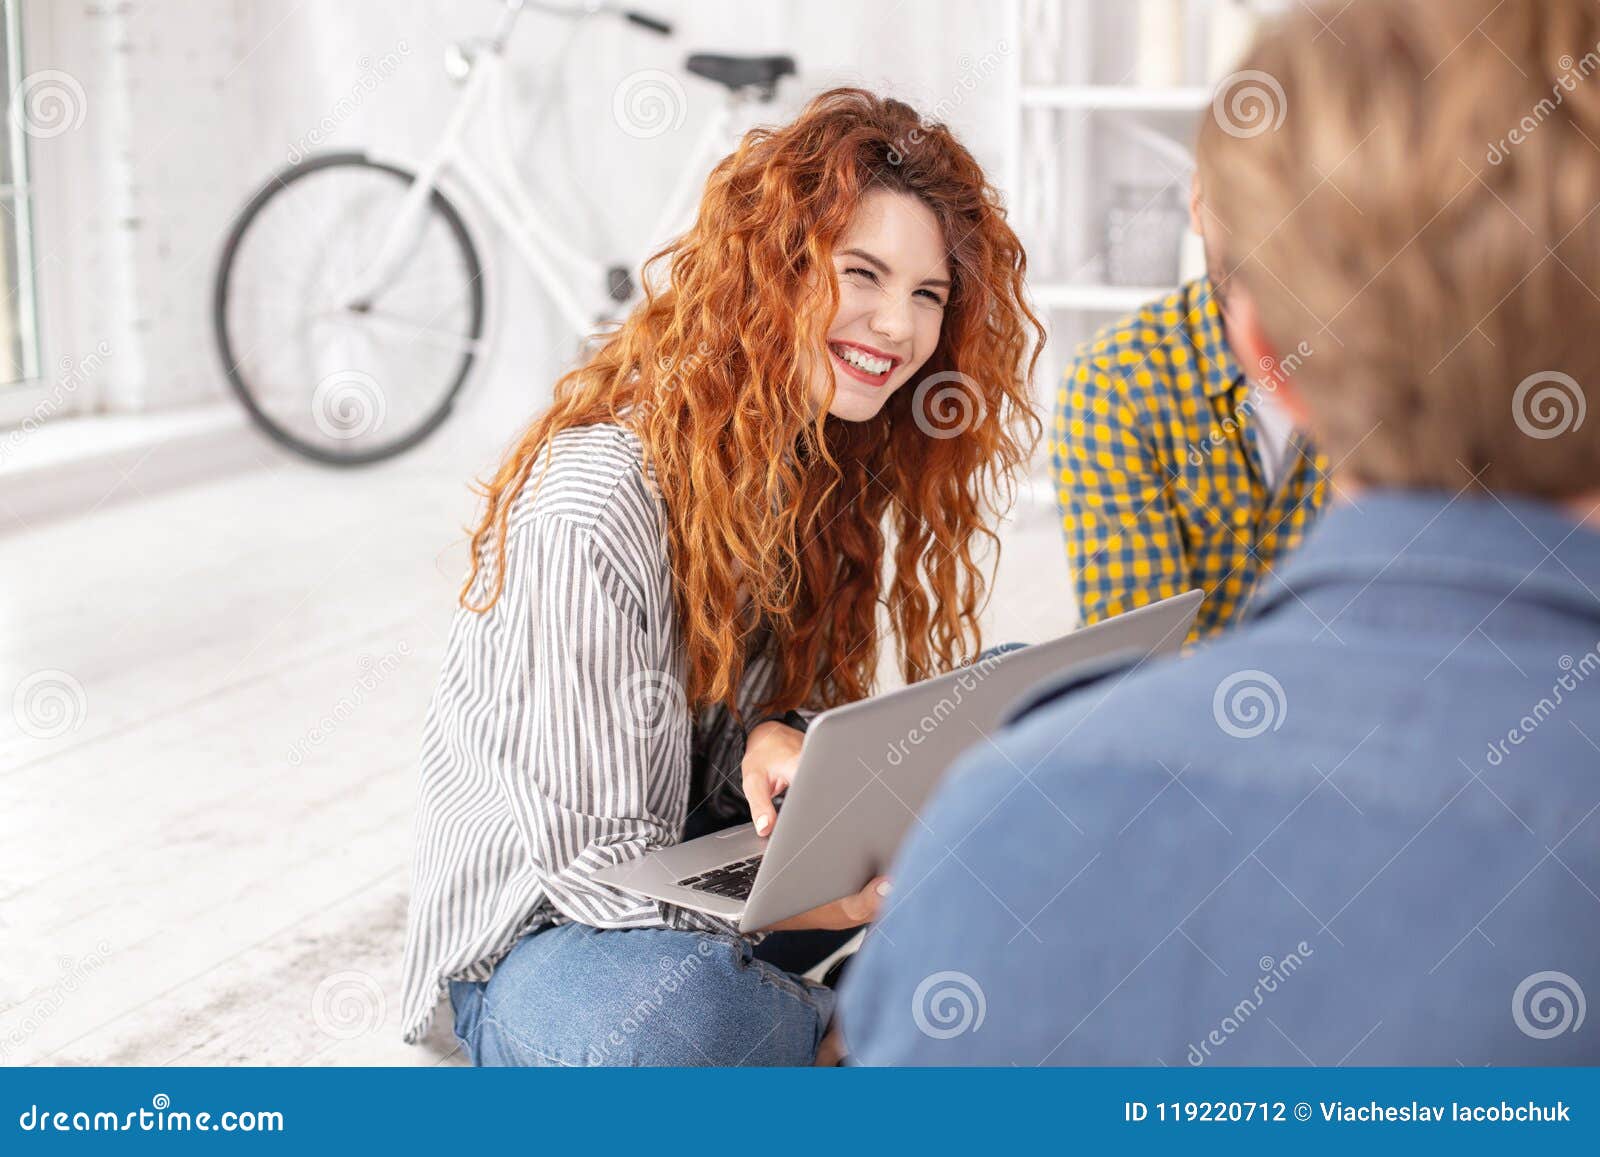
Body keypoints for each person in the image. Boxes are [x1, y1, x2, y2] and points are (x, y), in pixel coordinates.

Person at [841, 0, 1600, 1065]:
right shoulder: (1125, 384)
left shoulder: (1000, 839)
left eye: (920, 292)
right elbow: (1139, 634)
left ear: (1261, 336)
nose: (894, 325)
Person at [398, 88, 1044, 1064]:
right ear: (774, 272)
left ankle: (836, 1016)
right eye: (861, 273)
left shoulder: (827, 459)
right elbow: (596, 869)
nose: (896, 326)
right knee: (667, 1029)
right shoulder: (596, 496)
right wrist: (829, 901)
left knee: (1050, 705)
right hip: (557, 944)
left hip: (744, 893)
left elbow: (775, 759)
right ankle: (862, 1029)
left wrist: (789, 741)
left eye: (926, 295)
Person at [1053, 183, 1329, 640]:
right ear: (1199, 201)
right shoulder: (1115, 382)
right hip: (1186, 703)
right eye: (1247, 191)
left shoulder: (1410, 369)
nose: (1275, 231)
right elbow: (1139, 658)